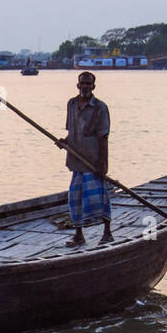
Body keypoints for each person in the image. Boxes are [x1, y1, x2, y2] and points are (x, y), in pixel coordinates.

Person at [56, 70, 113, 247]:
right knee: (75, 198)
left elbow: (103, 137)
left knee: (99, 197)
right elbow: (72, 131)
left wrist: (103, 164)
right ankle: (79, 235)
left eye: (89, 84)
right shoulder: (71, 104)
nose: (86, 87)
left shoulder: (100, 108)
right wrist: (64, 142)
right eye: (83, 83)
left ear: (93, 87)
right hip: (76, 160)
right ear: (78, 85)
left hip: (92, 161)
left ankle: (107, 233)